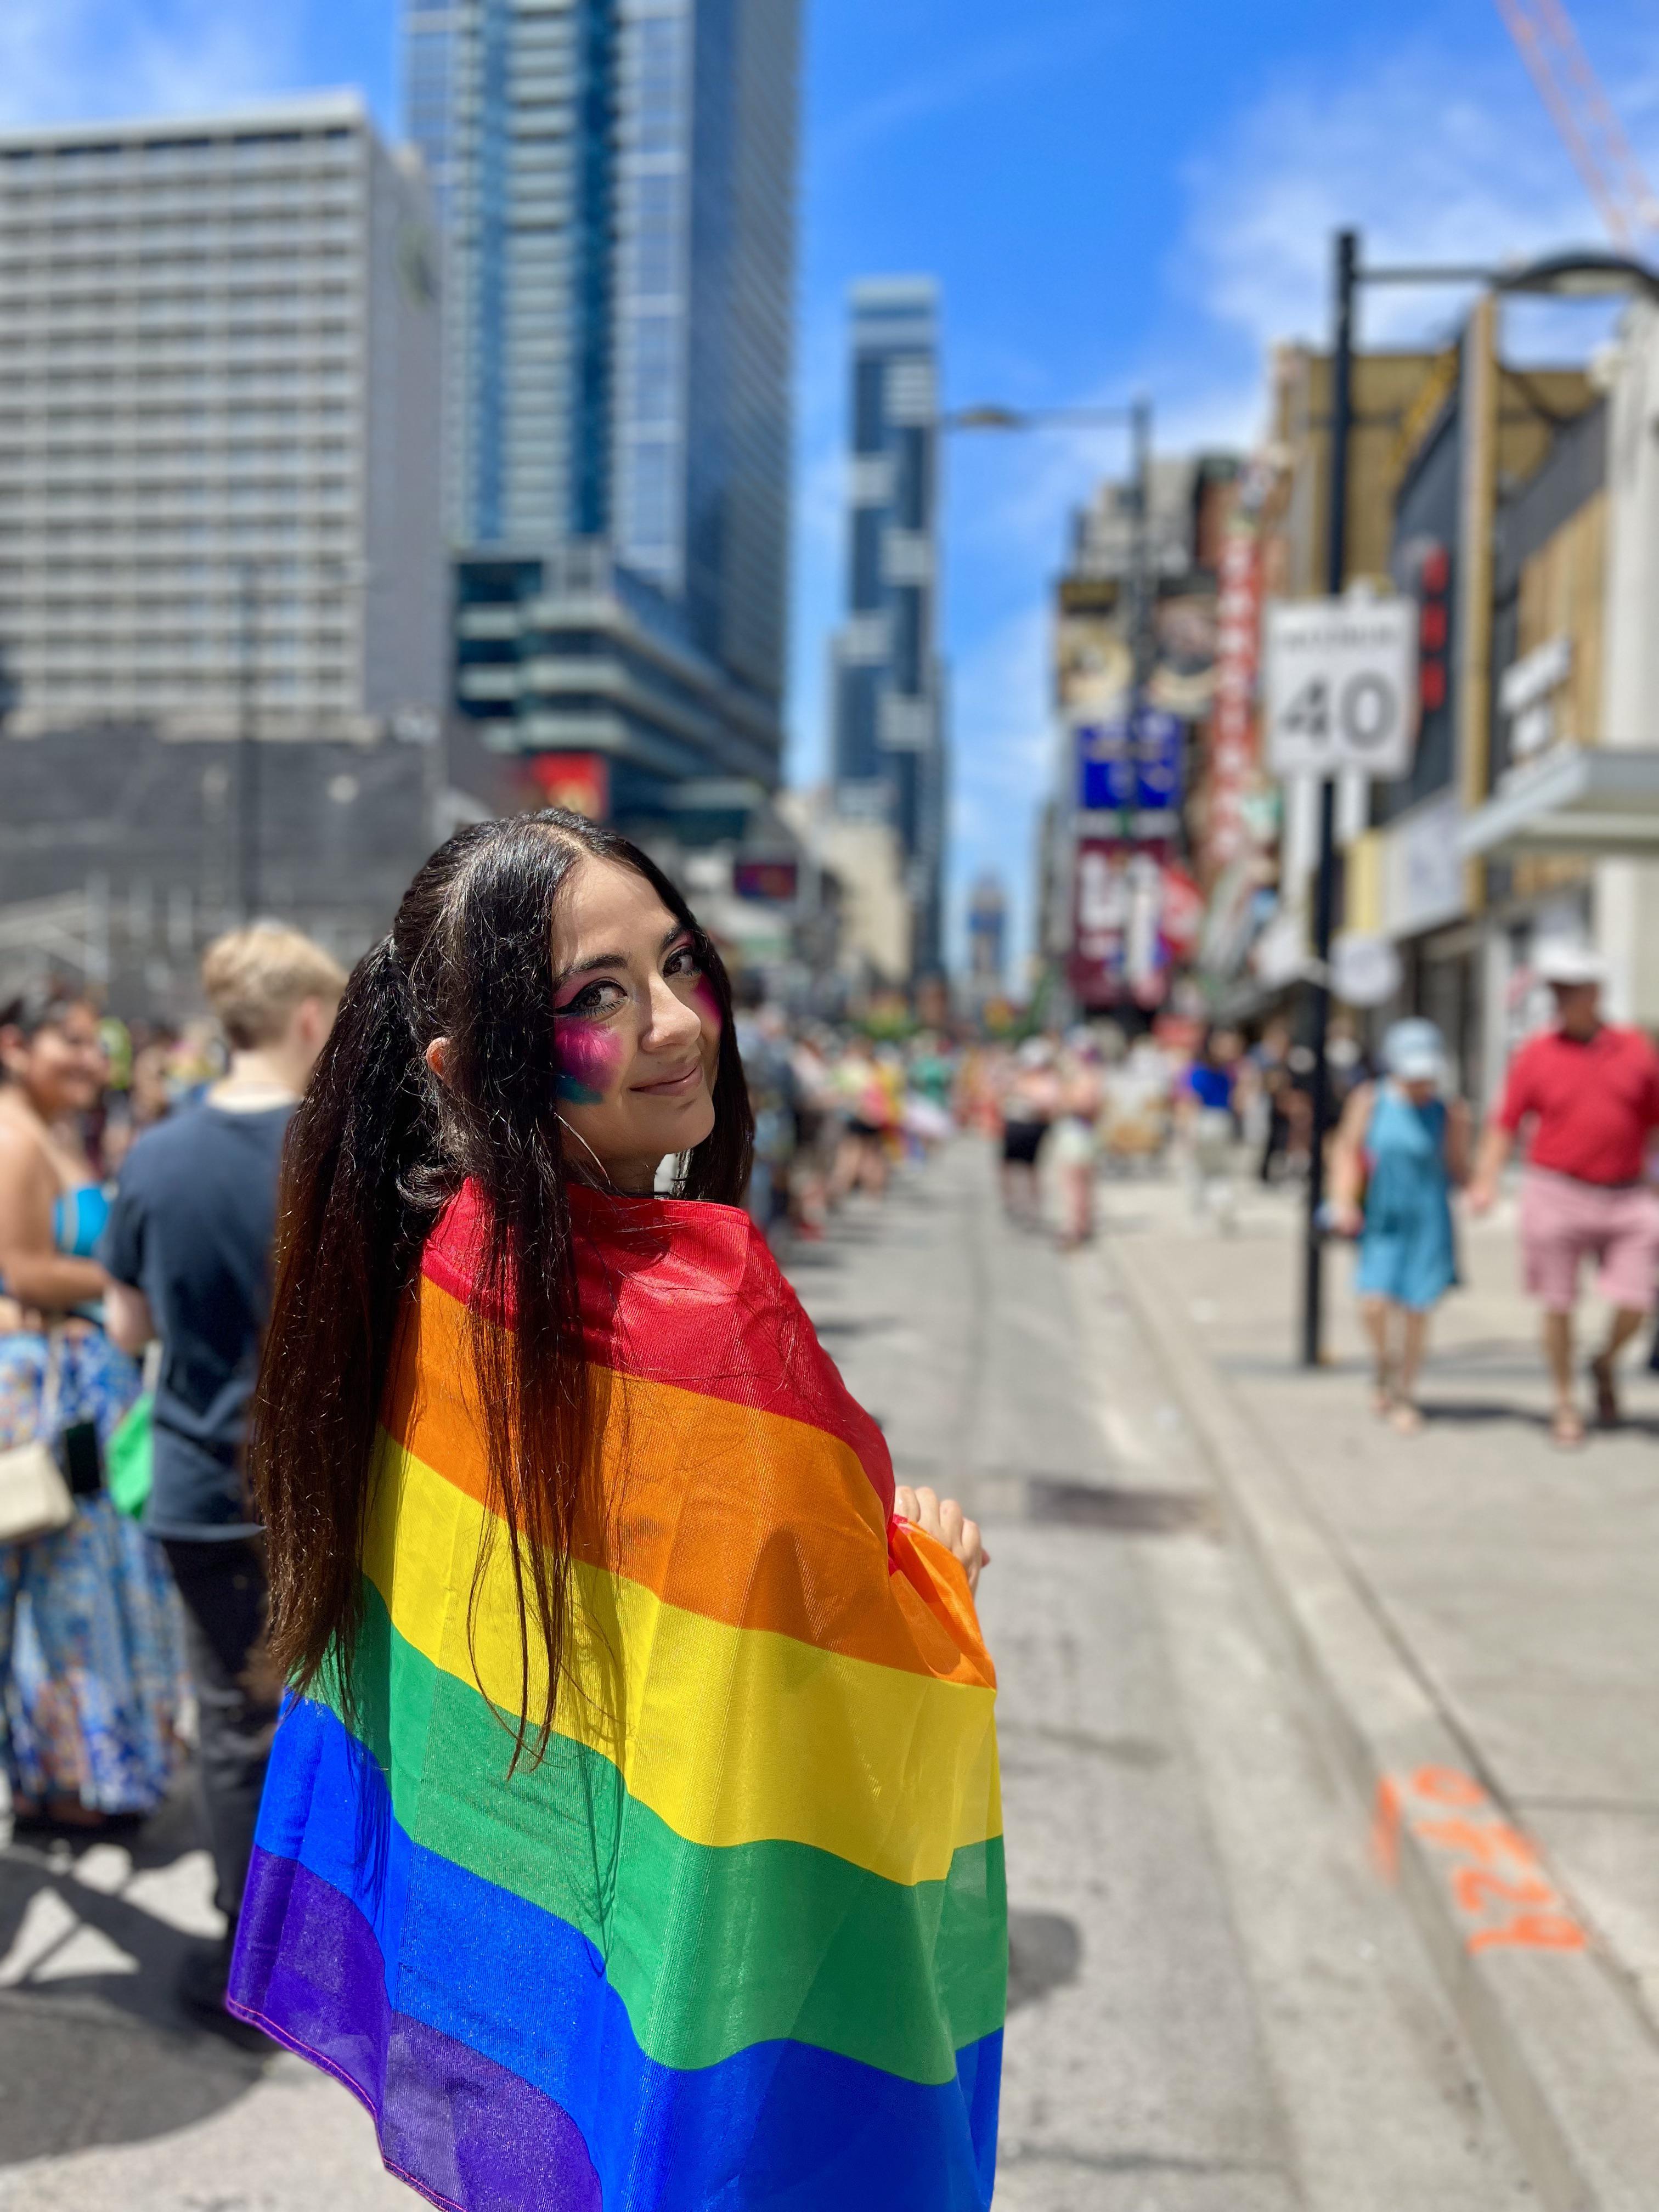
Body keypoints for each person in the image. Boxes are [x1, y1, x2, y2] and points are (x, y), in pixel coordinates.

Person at [226, 812, 1004, 2210]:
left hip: (500, 1951)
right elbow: (825, 1689)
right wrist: (937, 1574)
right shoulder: (705, 1324)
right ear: (468, 1065)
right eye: (596, 995)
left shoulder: (429, 1266)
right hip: (661, 1959)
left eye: (680, 966)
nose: (676, 1023)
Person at [100, 924, 345, 2028]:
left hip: (202, 1488)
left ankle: (249, 1959)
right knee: (346, 1711)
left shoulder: (152, 1155)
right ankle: (338, 1946)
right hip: (329, 1488)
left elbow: (127, 1327)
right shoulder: (342, 1153)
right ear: (306, 1019)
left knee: (233, 1723)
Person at [0, 986, 186, 1830]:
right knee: (63, 1593)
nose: (89, 1056)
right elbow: (25, 1271)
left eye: (92, 1041)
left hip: (84, 1383)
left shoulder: (54, 1134)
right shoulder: (12, 1138)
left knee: (90, 1586)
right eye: (67, 1042)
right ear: (14, 1046)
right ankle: (66, 1780)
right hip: (46, 1394)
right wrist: (131, 1273)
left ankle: (92, 1772)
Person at [1468, 944, 1659, 1447]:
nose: (1561, 999)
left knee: (1639, 1298)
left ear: (1595, 993)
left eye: (1570, 989)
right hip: (1557, 1188)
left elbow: (1654, 1122)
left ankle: (1603, 1361)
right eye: (1556, 990)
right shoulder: (1535, 1052)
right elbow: (1505, 1123)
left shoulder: (1635, 1047)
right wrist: (1485, 1180)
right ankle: (1564, 1400)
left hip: (1626, 1192)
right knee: (1558, 1302)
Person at [1329, 1019, 1469, 1434]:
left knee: (1415, 1310)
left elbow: (1460, 1168)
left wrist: (1479, 1182)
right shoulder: (1371, 1100)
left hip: (1428, 1219)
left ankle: (1405, 1393)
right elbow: (1348, 1150)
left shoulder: (1449, 1112)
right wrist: (1342, 1200)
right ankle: (1383, 1365)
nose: (1420, 1081)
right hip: (1383, 1216)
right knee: (1372, 1301)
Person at [1180, 1026, 1244, 1233]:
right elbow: (1238, 1103)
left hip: (1204, 1121)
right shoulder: (1228, 1073)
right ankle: (1222, 1203)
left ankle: (1199, 1216)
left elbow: (1191, 1101)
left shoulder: (1199, 1071)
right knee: (1220, 1171)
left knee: (1198, 1171)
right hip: (1223, 1122)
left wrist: (1188, 1130)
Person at [1049, 1037, 1103, 1249]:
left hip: (1077, 1134)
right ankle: (1083, 1226)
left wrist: (1064, 1097)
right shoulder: (1092, 1076)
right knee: (1083, 1185)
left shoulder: (1084, 1078)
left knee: (1074, 1186)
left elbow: (1083, 1106)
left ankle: (1075, 1229)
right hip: (1083, 1135)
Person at [998, 1036, 1058, 1223]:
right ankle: (1012, 1203)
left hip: (1033, 1128)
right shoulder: (1019, 1076)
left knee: (1032, 1170)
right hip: (1015, 1125)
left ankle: (1033, 1206)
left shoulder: (1047, 1080)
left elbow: (1048, 1105)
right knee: (1007, 1166)